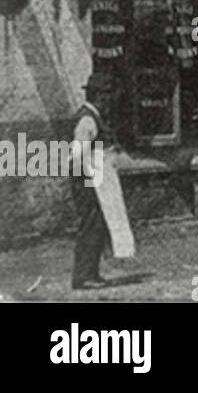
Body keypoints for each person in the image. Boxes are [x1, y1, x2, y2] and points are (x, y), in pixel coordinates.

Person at [70, 75, 112, 290]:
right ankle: (84, 276)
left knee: (96, 225)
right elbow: (78, 157)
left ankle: (91, 273)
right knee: (91, 225)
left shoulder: (91, 117)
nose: (108, 101)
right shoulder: (87, 120)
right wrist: (89, 185)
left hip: (90, 179)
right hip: (86, 180)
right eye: (106, 95)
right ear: (97, 96)